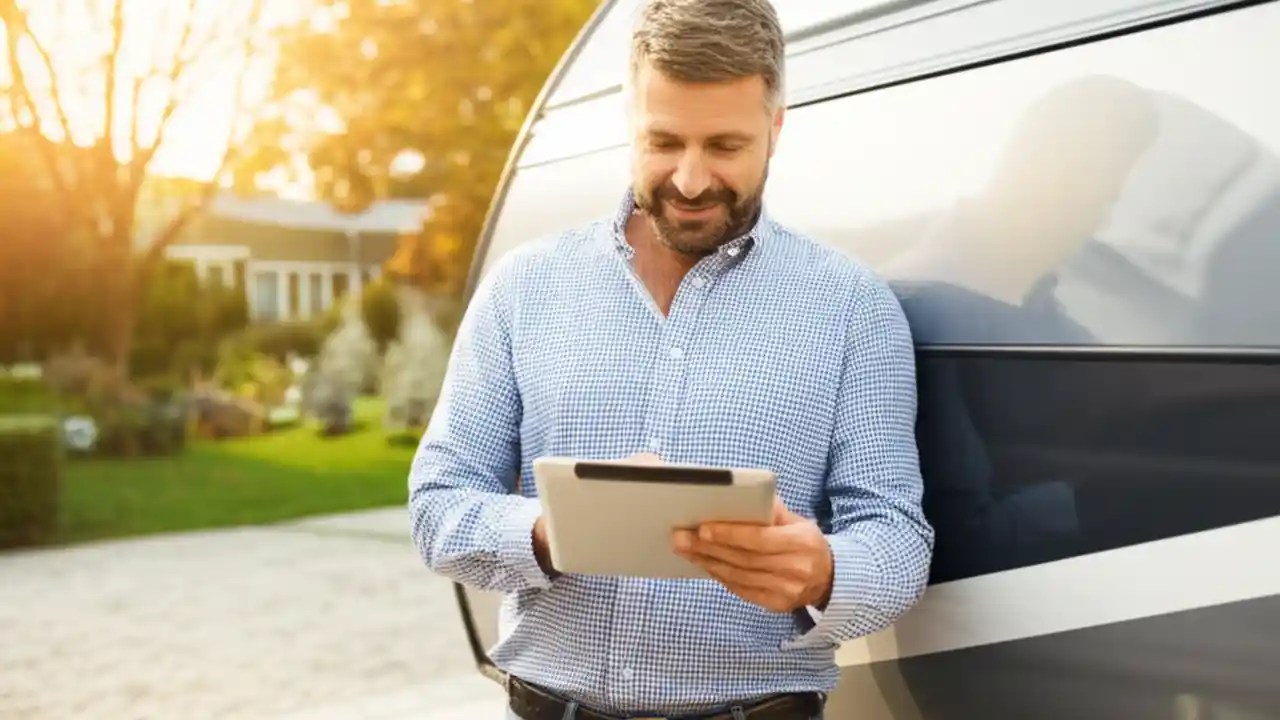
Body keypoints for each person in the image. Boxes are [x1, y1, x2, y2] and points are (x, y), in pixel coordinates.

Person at [407, 1, 934, 718]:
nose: (689, 180)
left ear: (775, 130)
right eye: (663, 142)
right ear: (629, 122)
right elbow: (437, 504)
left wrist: (827, 572)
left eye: (724, 146)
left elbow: (898, 537)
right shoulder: (523, 289)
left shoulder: (853, 310)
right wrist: (549, 532)